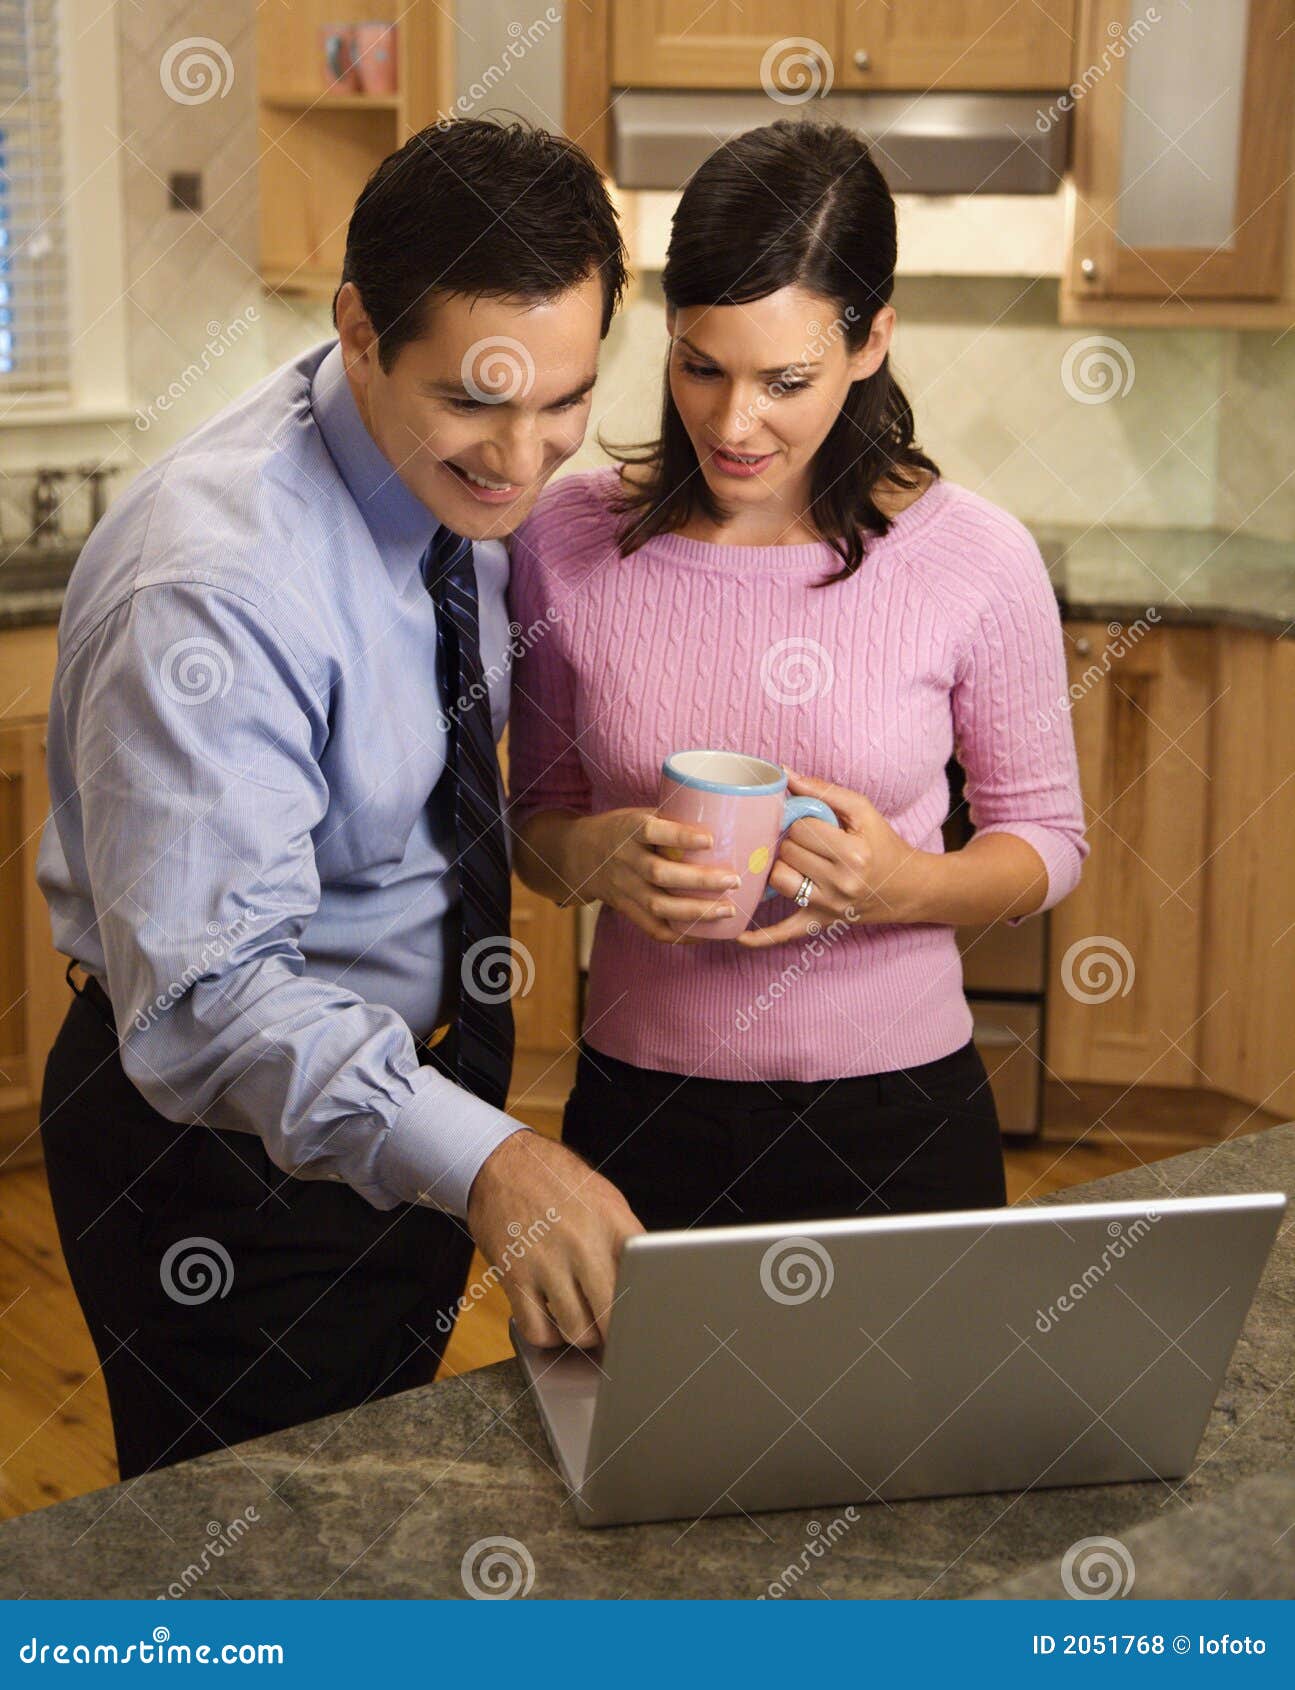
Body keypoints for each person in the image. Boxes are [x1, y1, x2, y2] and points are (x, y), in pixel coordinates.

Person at [36, 119, 641, 1479]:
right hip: (228, 1166)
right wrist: (490, 1160)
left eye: (563, 400)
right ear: (359, 329)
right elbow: (207, 1002)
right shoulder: (213, 585)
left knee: (355, 1520)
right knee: (253, 1565)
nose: (524, 455)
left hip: (395, 1111)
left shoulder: (460, 490)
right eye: (477, 400)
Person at [507, 121, 1088, 1238]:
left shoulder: (973, 558)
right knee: (630, 1419)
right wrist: (593, 856)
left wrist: (899, 887)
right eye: (699, 366)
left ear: (870, 340)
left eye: (784, 379)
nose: (733, 424)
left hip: (896, 1125)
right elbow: (536, 825)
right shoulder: (563, 541)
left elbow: (1047, 845)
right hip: (640, 1114)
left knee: (907, 1423)